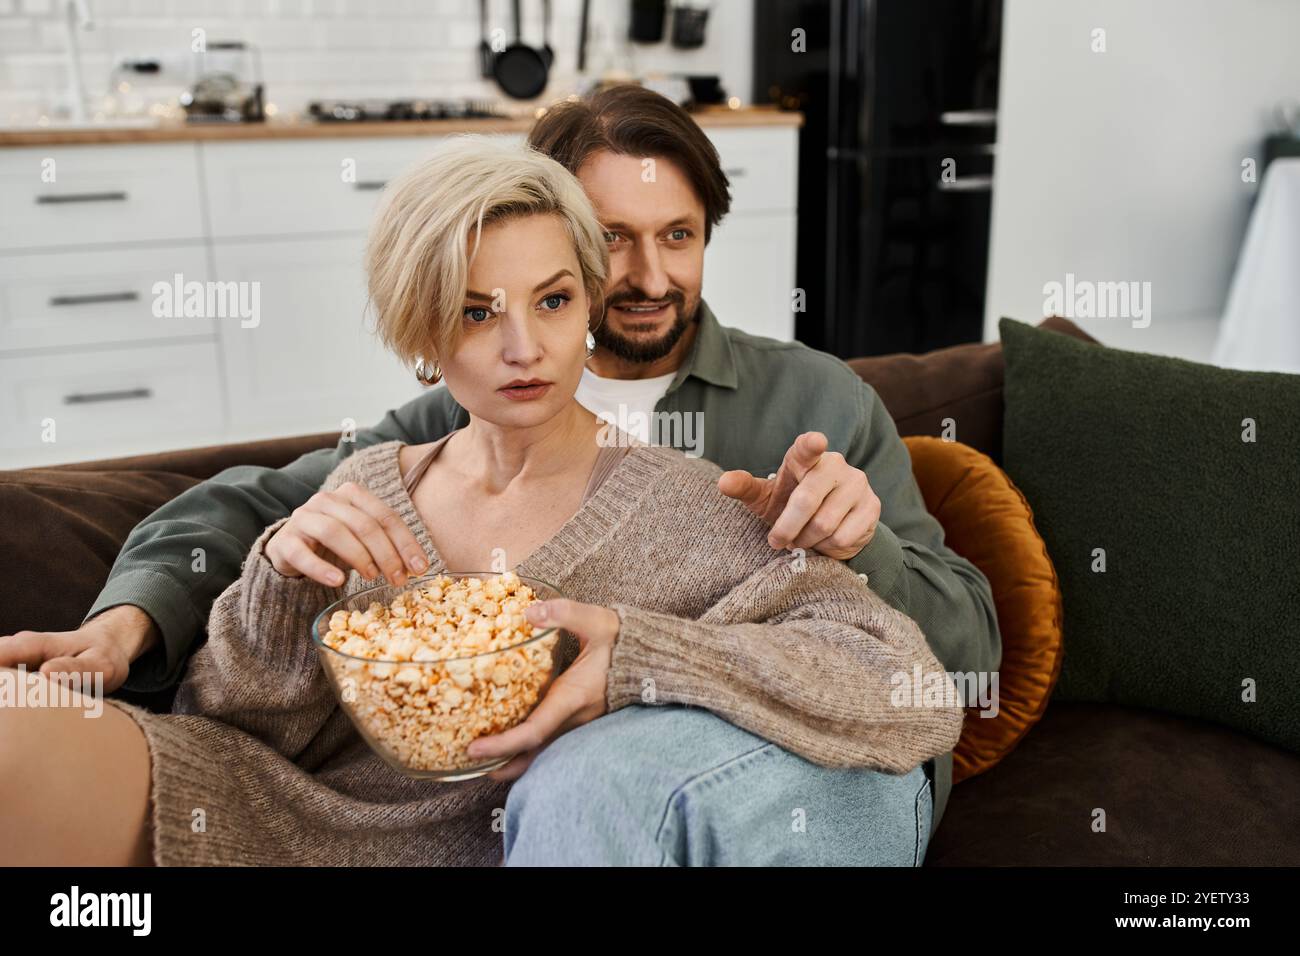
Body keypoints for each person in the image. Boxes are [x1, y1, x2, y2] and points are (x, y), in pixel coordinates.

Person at [1, 86, 1000, 863]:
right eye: (479, 310)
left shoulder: (781, 428)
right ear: (426, 332)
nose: (648, 277)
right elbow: (249, 535)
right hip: (323, 804)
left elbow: (928, 673)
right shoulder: (409, 448)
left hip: (658, 787)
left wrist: (844, 542)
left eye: (678, 236)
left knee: (594, 785)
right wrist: (143, 617)